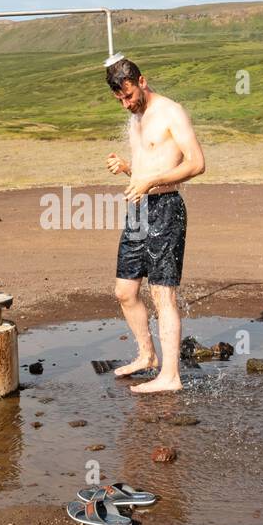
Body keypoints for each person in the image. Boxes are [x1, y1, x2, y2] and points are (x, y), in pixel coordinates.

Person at [103, 54, 205, 393]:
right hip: (139, 209)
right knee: (125, 291)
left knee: (163, 296)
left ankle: (171, 376)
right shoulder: (137, 116)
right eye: (119, 99)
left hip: (167, 208)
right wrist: (129, 168)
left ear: (142, 81)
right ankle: (147, 355)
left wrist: (150, 182)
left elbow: (197, 163)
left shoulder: (171, 112)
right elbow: (149, 164)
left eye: (129, 95)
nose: (126, 104)